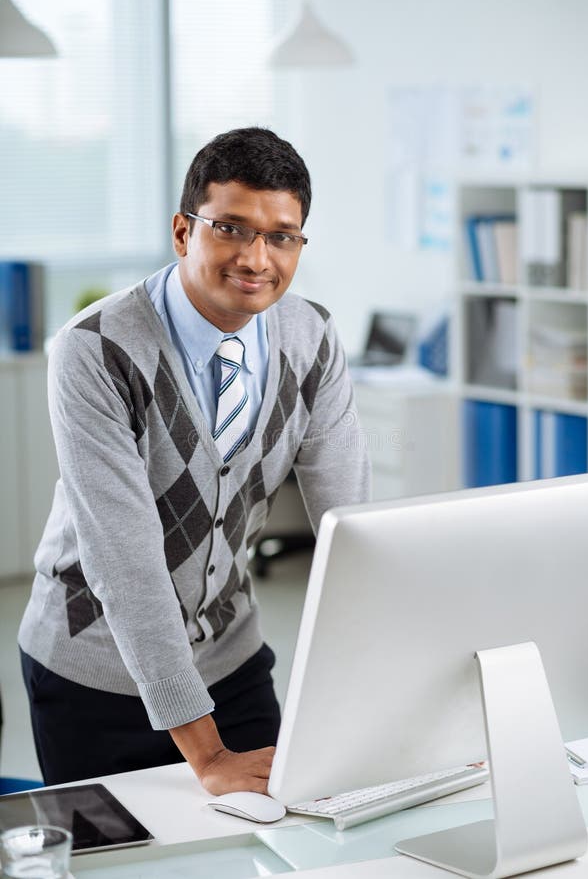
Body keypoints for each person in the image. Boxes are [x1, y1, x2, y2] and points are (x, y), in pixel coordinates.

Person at [18, 127, 370, 794]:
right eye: (232, 228)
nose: (256, 257)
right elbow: (124, 560)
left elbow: (349, 531)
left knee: (273, 844)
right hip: (94, 674)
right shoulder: (94, 349)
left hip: (229, 659)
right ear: (183, 232)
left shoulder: (311, 335)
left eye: (281, 235)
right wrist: (205, 755)